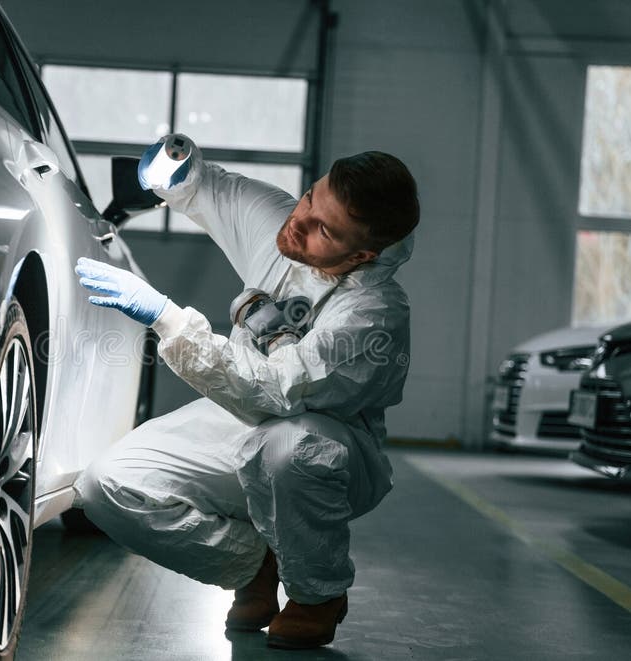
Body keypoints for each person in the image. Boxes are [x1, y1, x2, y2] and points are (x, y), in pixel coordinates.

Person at [73, 134, 419, 649]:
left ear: (364, 253)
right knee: (107, 487)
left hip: (328, 446)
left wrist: (168, 318)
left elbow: (282, 391)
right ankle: (255, 565)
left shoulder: (374, 312)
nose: (298, 223)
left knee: (286, 447)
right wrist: (175, 165)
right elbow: (205, 187)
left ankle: (316, 593)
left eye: (323, 228)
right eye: (309, 198)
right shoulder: (285, 224)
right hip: (237, 421)